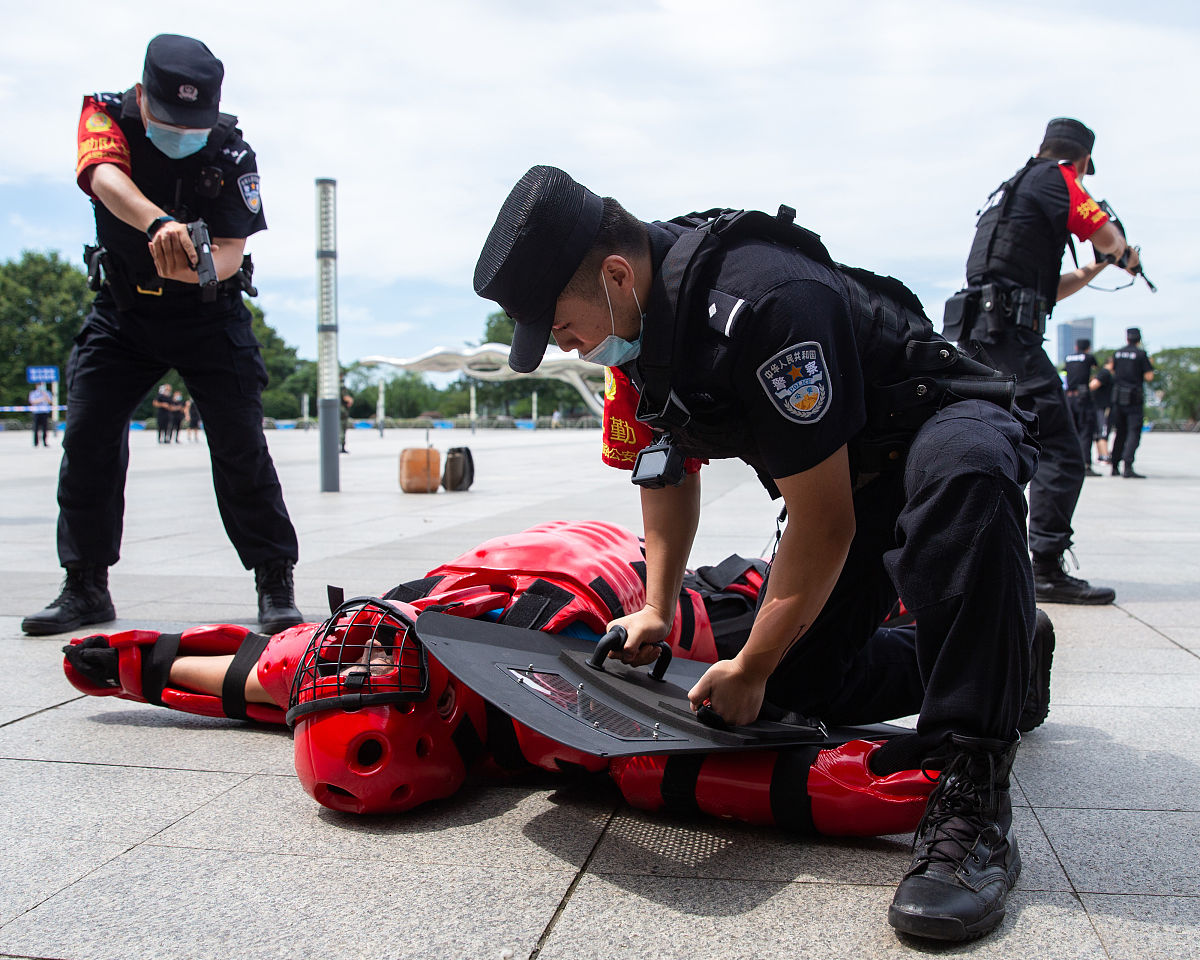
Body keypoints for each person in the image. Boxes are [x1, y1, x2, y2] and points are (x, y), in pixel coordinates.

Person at [473, 166, 1050, 942]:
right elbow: (665, 468)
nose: (565, 347)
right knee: (800, 689)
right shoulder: (634, 327)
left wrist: (748, 664)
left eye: (561, 326)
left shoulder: (766, 305)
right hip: (844, 470)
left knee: (964, 479)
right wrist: (657, 606)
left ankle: (972, 793)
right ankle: (1010, 654)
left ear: (613, 275)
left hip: (932, 424)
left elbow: (825, 522)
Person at [21, 34, 302, 638]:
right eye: (170, 118)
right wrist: (161, 224)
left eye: (193, 122)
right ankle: (86, 585)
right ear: (143, 96)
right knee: (89, 437)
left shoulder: (229, 150)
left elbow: (231, 251)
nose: (183, 132)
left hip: (209, 313)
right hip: (123, 313)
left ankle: (274, 580)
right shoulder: (105, 115)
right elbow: (102, 178)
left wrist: (197, 264)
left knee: (239, 444)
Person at [943, 118, 1142, 606]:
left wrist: (1095, 267)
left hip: (977, 333)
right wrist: (1122, 254)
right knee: (1059, 448)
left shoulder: (1013, 193)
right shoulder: (1058, 178)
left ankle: (959, 557)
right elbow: (1104, 230)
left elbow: (1047, 291)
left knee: (985, 445)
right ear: (1080, 161)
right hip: (1008, 336)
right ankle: (1047, 565)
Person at [1109, 327, 1155, 478]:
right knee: (1133, 433)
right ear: (1139, 339)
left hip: (1118, 399)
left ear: (1127, 338)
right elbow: (1149, 377)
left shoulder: (1118, 353)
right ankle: (1127, 467)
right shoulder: (1141, 354)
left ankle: (1114, 466)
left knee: (1119, 433)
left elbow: (1112, 370)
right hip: (1134, 400)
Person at [1063, 338, 1099, 476]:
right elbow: (1095, 368)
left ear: (1076, 346)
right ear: (1088, 348)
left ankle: (1071, 463)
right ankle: (1085, 465)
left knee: (1073, 431)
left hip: (1069, 397)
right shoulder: (1088, 357)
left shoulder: (1068, 357)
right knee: (1086, 431)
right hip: (1082, 397)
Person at [1090, 358, 1114, 465]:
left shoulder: (1104, 373)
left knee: (1100, 432)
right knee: (1103, 431)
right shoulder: (1105, 373)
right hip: (1102, 406)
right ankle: (1104, 456)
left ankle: (1101, 455)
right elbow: (1093, 385)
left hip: (1099, 406)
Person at [28, 382, 53, 447]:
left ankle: (45, 442)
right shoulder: (33, 393)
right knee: (36, 428)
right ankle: (36, 443)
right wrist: (41, 399)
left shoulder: (47, 393)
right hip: (36, 412)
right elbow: (32, 401)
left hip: (44, 412)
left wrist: (44, 395)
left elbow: (50, 401)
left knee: (45, 428)